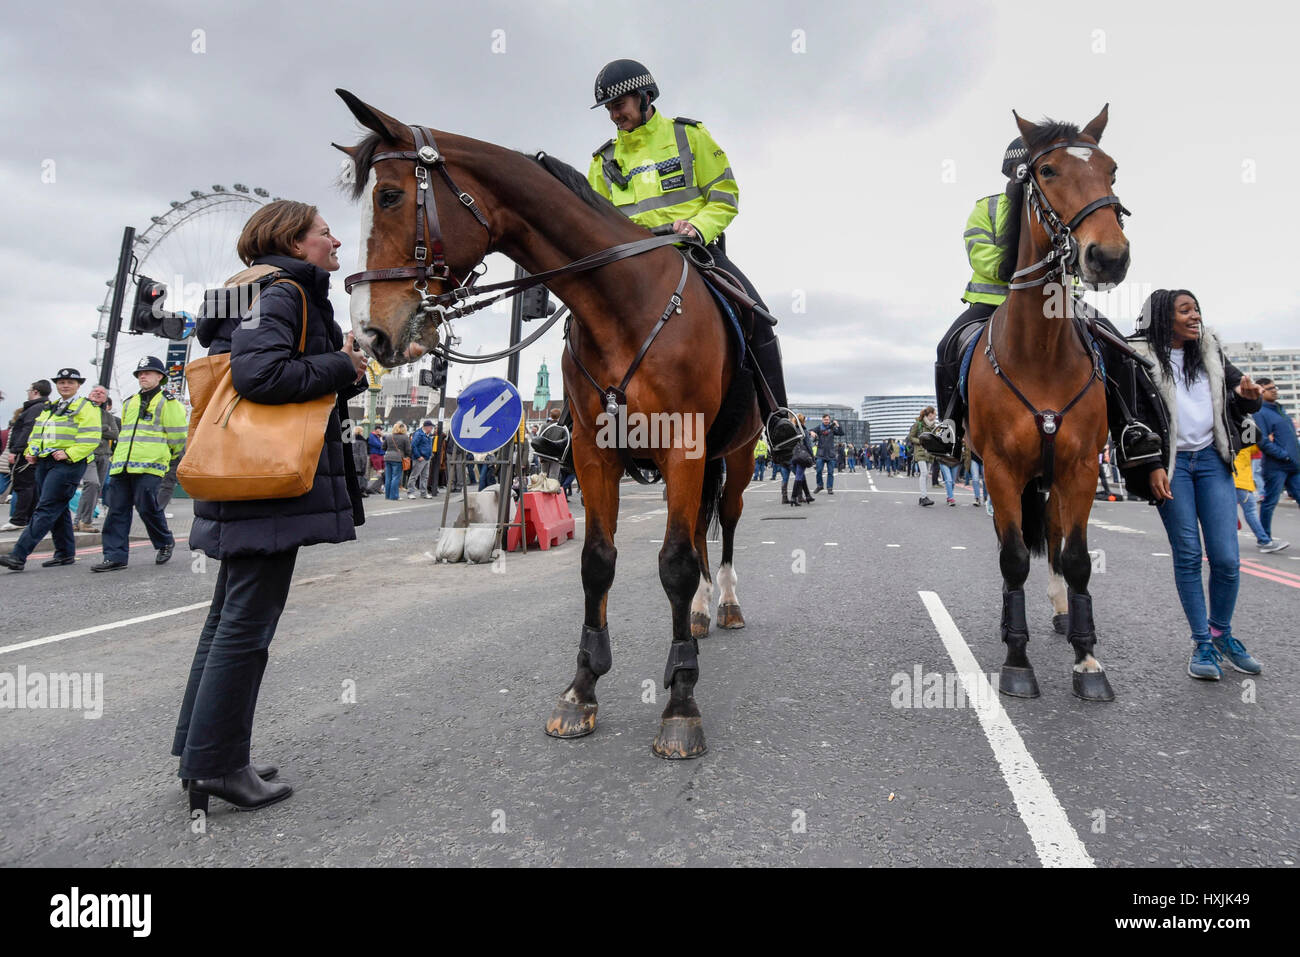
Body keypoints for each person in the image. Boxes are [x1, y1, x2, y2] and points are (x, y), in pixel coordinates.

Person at [173, 199, 368, 814]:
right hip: (265, 481)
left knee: (227, 618)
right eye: (324, 232)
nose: (335, 241)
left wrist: (348, 366)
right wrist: (341, 362)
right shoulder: (284, 291)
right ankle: (219, 765)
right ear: (293, 239)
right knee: (246, 627)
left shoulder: (250, 290)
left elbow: (279, 367)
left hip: (242, 477)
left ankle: (200, 755)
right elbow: (264, 376)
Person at [586, 58, 799, 458]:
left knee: (759, 316)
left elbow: (725, 195)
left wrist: (698, 227)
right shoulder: (602, 160)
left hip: (694, 252)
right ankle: (568, 429)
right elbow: (596, 219)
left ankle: (778, 418)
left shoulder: (690, 136)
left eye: (619, 104)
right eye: (609, 109)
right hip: (630, 265)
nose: (614, 115)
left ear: (645, 96)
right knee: (580, 324)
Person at [924, 138, 1161, 471]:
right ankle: (949, 426)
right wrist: (1020, 272)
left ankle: (1130, 427)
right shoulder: (987, 208)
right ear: (1010, 172)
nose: (1019, 179)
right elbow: (980, 255)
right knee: (948, 347)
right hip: (993, 302)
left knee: (1116, 344)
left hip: (1057, 303)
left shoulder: (1059, 205)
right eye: (1016, 173)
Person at [1118, 289, 1263, 680]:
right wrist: (1151, 464)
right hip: (1173, 466)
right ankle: (1201, 644)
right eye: (1185, 310)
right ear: (1164, 318)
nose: (1195, 315)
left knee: (1228, 560)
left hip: (1213, 461)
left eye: (1197, 308)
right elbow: (1131, 417)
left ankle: (1221, 635)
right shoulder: (1139, 358)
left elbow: (1237, 395)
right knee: (1187, 555)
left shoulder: (1210, 350)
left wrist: (1251, 397)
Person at [91, 357, 187, 572]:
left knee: (147, 507)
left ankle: (164, 541)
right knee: (116, 510)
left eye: (148, 372)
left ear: (160, 376)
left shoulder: (169, 402)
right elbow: (124, 433)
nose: (142, 376)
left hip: (151, 465)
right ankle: (115, 556)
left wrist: (167, 456)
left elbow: (178, 435)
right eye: (140, 373)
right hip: (122, 465)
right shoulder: (129, 402)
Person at [0, 369, 101, 570]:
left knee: (45, 508)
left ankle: (18, 555)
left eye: (70, 382)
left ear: (78, 385)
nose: (65, 385)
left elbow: (91, 437)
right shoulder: (50, 408)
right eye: (61, 382)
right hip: (45, 462)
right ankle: (64, 553)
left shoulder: (86, 406)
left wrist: (70, 453)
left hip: (68, 464)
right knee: (59, 507)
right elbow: (38, 433)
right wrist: (31, 451)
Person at [1252, 376, 1300, 541]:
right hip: (1276, 466)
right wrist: (1283, 455)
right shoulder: (1259, 412)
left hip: (1293, 465)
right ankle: (1265, 538)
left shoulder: (1279, 409)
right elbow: (1261, 440)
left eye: (1275, 387)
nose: (1275, 391)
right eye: (1270, 388)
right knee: (1270, 502)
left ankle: (1264, 537)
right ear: (1261, 391)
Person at [1, 380, 52, 532]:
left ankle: (19, 519)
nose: (28, 392)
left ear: (35, 391)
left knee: (23, 485)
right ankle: (28, 518)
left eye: (29, 390)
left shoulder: (34, 408)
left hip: (25, 453)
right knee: (31, 486)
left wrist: (16, 450)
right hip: (31, 452)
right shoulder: (42, 407)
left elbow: (28, 430)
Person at [74, 389, 118, 533]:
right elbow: (78, 429)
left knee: (95, 488)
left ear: (105, 398)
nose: (98, 394)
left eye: (102, 393)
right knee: (92, 484)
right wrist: (104, 429)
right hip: (88, 453)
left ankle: (81, 521)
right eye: (95, 391)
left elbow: (115, 433)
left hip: (104, 454)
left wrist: (98, 429)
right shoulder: (82, 410)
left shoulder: (107, 416)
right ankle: (83, 521)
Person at [1234, 443, 1287, 553]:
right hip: (1241, 481)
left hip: (1234, 479)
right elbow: (1257, 446)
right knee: (1251, 510)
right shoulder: (1243, 438)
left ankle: (1233, 524)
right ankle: (1264, 541)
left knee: (1231, 509)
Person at [805, 414, 844, 494]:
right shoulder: (819, 428)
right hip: (821, 453)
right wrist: (811, 432)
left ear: (829, 420)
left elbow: (841, 433)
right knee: (819, 471)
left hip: (830, 453)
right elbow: (808, 431)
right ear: (822, 420)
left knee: (830, 472)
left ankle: (830, 488)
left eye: (827, 420)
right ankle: (820, 485)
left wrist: (837, 425)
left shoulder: (832, 428)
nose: (826, 421)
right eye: (825, 420)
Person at [908, 407, 938, 507]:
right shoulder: (918, 424)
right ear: (930, 414)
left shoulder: (934, 426)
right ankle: (924, 497)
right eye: (934, 414)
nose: (935, 416)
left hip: (929, 453)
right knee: (924, 473)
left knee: (925, 475)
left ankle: (922, 498)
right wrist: (920, 441)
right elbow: (910, 437)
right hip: (920, 452)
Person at [383, 421, 411, 500]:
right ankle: (394, 496)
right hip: (398, 459)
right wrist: (407, 456)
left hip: (387, 457)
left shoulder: (389, 436)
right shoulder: (405, 437)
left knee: (388, 478)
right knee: (396, 477)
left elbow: (383, 447)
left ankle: (387, 496)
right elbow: (408, 450)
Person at [409, 419, 435, 498]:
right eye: (431, 427)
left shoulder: (428, 435)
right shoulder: (419, 434)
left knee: (425, 476)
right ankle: (410, 492)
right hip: (420, 458)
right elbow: (413, 445)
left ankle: (423, 493)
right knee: (414, 476)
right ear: (426, 427)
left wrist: (430, 454)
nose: (431, 429)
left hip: (427, 458)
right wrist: (418, 456)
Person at [351, 427, 370, 496]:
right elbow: (363, 454)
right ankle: (360, 491)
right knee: (360, 475)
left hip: (351, 459)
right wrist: (364, 464)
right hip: (358, 460)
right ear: (361, 432)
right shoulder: (362, 441)